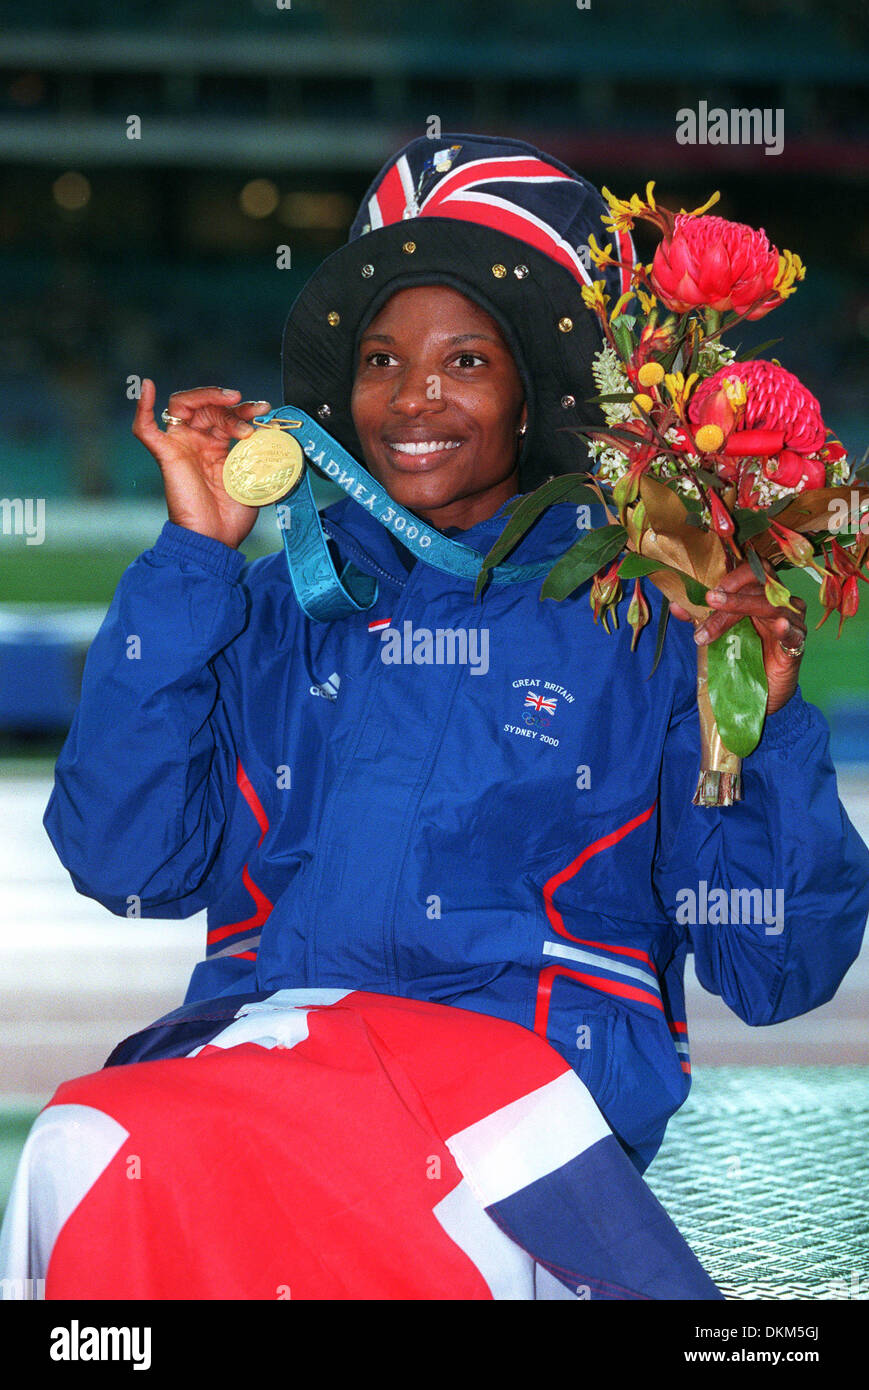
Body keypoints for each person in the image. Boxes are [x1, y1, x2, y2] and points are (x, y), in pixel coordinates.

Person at [2, 135, 868, 1302]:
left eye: (463, 359)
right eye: (378, 359)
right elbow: (126, 862)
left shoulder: (646, 618)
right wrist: (189, 562)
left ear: (532, 399)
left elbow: (778, 966)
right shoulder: (271, 607)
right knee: (77, 1148)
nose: (412, 395)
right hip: (269, 1080)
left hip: (513, 1124)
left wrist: (756, 732)